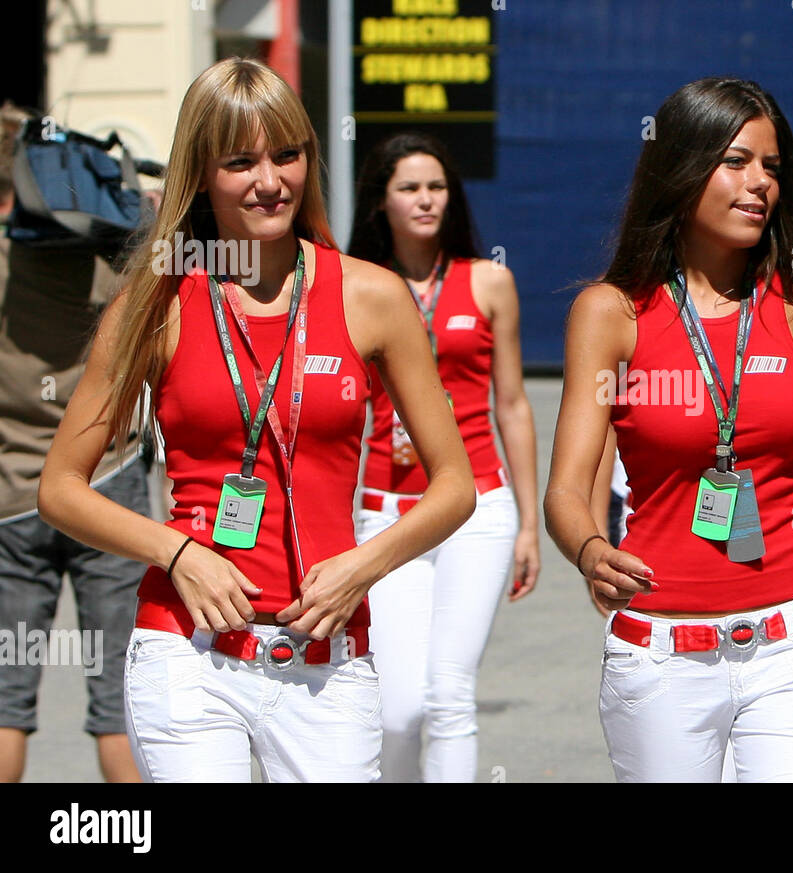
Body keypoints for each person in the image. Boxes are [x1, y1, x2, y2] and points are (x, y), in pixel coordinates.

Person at [36, 57, 476, 782]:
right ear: (202, 173)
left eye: (288, 155)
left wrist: (365, 566)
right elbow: (61, 487)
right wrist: (178, 552)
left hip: (329, 662)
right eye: (241, 161)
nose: (270, 181)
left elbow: (455, 483)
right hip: (187, 656)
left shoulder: (372, 295)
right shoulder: (158, 301)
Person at [544, 77, 793, 783]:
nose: (759, 184)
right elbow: (564, 489)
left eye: (772, 168)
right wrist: (591, 549)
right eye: (736, 161)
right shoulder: (610, 313)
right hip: (660, 654)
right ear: (681, 169)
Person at [347, 132, 539, 782]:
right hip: (389, 512)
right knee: (399, 708)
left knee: (450, 691)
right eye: (409, 187)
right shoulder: (356, 287)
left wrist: (530, 525)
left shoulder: (489, 281)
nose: (426, 200)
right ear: (381, 201)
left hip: (479, 508)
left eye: (437, 186)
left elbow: (511, 403)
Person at [0, 105, 143, 782]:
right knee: (118, 697)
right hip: (106, 481)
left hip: (11, 493)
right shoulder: (103, 240)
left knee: (6, 698)